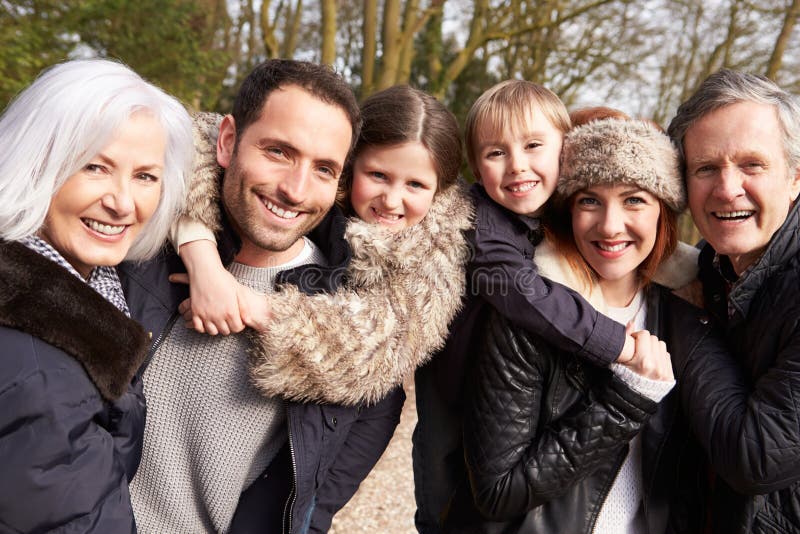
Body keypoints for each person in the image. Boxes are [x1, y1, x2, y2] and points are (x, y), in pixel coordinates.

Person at [118, 59, 405, 534]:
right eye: (278, 151)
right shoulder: (137, 237)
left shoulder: (350, 319)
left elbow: (319, 494)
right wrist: (199, 253)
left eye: (323, 169)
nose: (295, 190)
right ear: (227, 142)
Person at [448, 113, 708, 532]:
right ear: (567, 209)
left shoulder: (687, 317)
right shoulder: (528, 316)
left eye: (634, 199)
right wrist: (627, 399)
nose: (610, 225)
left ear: (664, 210)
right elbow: (498, 491)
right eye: (589, 200)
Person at [413, 81, 639, 532]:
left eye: (533, 145)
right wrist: (616, 342)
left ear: (565, 151)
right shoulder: (482, 225)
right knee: (446, 489)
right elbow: (523, 294)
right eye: (496, 153)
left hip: (506, 386)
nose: (517, 165)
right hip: (453, 385)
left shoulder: (556, 212)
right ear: (477, 167)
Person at [171, 84, 473, 406]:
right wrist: (203, 261)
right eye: (378, 175)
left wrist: (251, 305)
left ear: (438, 190)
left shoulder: (431, 256)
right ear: (349, 164)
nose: (391, 200)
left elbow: (375, 348)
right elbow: (192, 143)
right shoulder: (314, 185)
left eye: (415, 185)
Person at [0, 59, 193, 532]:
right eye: (95, 167)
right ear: (37, 164)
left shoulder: (94, 293)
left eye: (145, 176)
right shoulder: (38, 369)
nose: (123, 203)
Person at [666, 69, 800, 531]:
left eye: (752, 165)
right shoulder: (708, 267)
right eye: (705, 168)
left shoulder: (688, 291)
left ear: (795, 179)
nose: (726, 188)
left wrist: (684, 310)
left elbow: (757, 457)